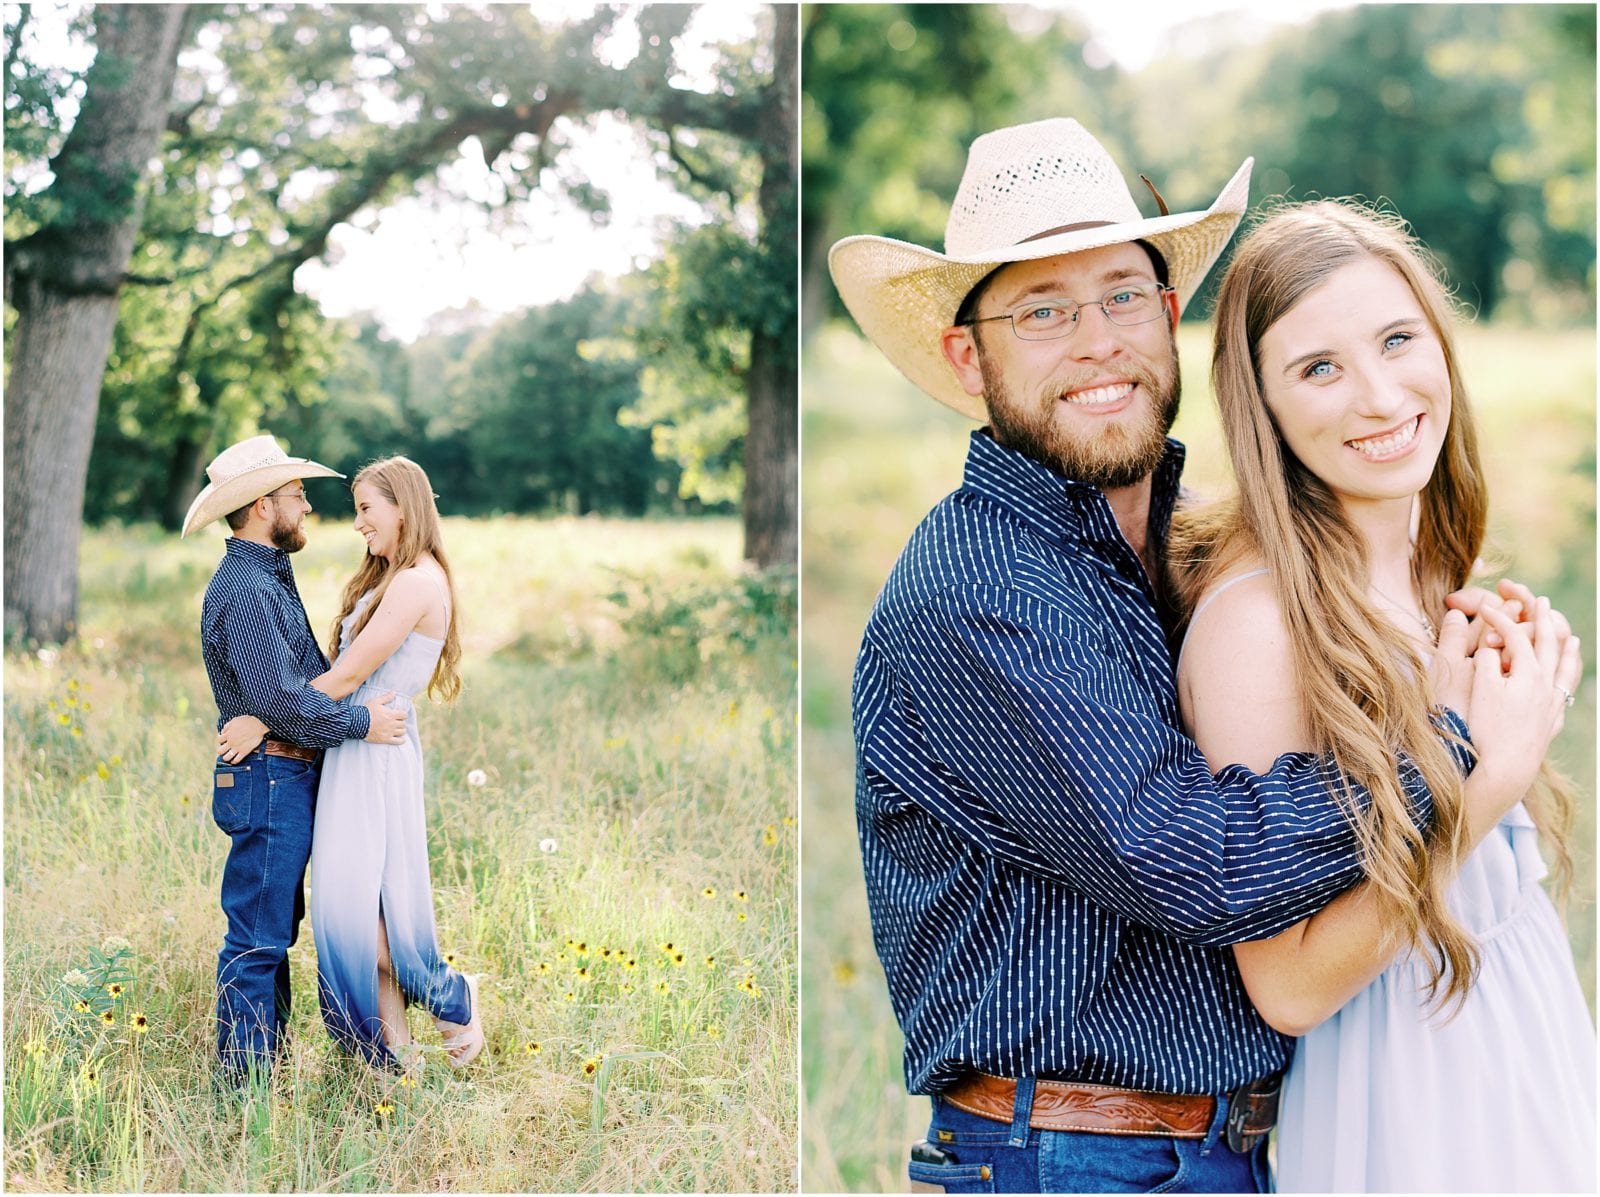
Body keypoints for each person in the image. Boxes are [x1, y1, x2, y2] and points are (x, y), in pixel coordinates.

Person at [827, 117, 1556, 1193]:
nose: (1097, 340)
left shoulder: (1172, 543)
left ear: (1168, 315)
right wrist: (1453, 755)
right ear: (963, 353)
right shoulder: (979, 591)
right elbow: (1195, 862)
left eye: (1123, 294)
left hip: (1213, 1147)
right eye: (1041, 310)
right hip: (1075, 1157)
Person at [1171, 199, 1592, 1191]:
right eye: (1317, 369)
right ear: (1260, 407)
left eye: (1396, 340)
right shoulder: (1259, 624)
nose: (1377, 396)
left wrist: (1518, 695)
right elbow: (1287, 984)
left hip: (1516, 1044)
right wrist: (1491, 773)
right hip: (1407, 1096)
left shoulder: (1420, 562)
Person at [217, 456, 484, 1071]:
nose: (356, 521)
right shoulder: (387, 578)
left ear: (403, 506)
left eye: (367, 508)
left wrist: (264, 715)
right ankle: (392, 1062)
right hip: (351, 744)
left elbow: (347, 675)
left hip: (373, 750)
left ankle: (449, 994)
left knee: (361, 911)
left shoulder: (417, 581)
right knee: (361, 903)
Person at [184, 434, 408, 1083]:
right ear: (262, 506)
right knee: (257, 936)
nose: (307, 506)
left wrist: (267, 711)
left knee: (271, 929)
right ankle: (248, 1087)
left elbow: (290, 688)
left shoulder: (266, 578)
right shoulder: (246, 589)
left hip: (281, 772)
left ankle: (266, 1067)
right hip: (268, 780)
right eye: (296, 494)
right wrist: (362, 722)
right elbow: (287, 698)